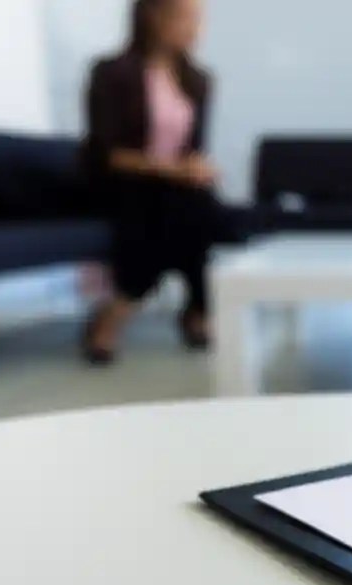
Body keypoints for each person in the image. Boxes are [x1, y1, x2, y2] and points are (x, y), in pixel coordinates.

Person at [81, 0, 235, 365]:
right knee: (191, 212)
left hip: (175, 189)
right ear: (153, 17)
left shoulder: (198, 81)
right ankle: (196, 309)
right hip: (121, 181)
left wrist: (197, 167)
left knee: (198, 207)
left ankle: (120, 307)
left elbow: (193, 149)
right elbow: (107, 153)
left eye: (199, 20)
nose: (195, 29)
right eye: (186, 19)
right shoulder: (111, 73)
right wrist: (175, 171)